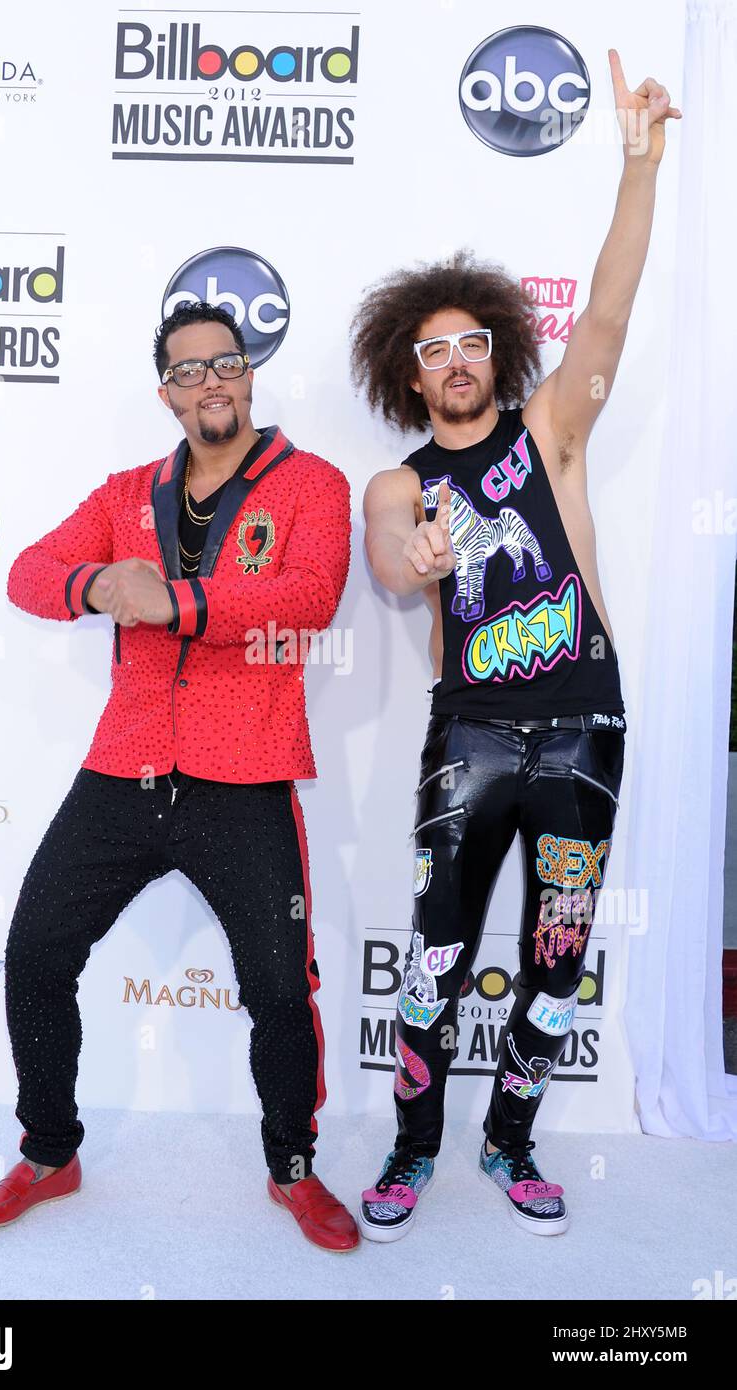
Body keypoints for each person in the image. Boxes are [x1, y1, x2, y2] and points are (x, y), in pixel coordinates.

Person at [350, 50, 680, 1240]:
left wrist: (639, 167)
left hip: (585, 729)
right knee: (436, 962)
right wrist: (419, 561)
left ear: (497, 350)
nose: (453, 361)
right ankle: (411, 1149)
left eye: (469, 342)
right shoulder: (399, 479)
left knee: (556, 955)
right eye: (430, 350)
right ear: (408, 370)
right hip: (472, 737)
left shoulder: (554, 433)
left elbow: (610, 307)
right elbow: (391, 550)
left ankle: (513, 1141)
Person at [0, 301, 358, 1252]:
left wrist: (172, 599)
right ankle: (50, 1154)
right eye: (188, 371)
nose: (210, 382)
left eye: (226, 363)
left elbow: (308, 599)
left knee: (277, 990)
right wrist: (99, 586)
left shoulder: (313, 484)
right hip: (121, 765)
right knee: (39, 953)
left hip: (246, 773)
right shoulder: (128, 490)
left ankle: (292, 1168)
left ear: (251, 373)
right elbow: (28, 572)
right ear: (166, 392)